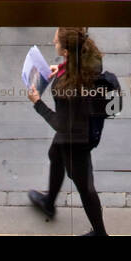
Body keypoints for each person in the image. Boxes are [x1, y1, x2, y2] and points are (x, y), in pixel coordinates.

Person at [26, 27, 109, 236]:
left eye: (56, 42)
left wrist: (37, 103)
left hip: (76, 138)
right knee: (55, 154)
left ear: (65, 51)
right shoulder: (90, 54)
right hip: (83, 124)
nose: (53, 42)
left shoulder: (66, 89)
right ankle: (49, 202)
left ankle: (100, 233)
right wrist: (61, 68)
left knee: (86, 188)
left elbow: (60, 124)